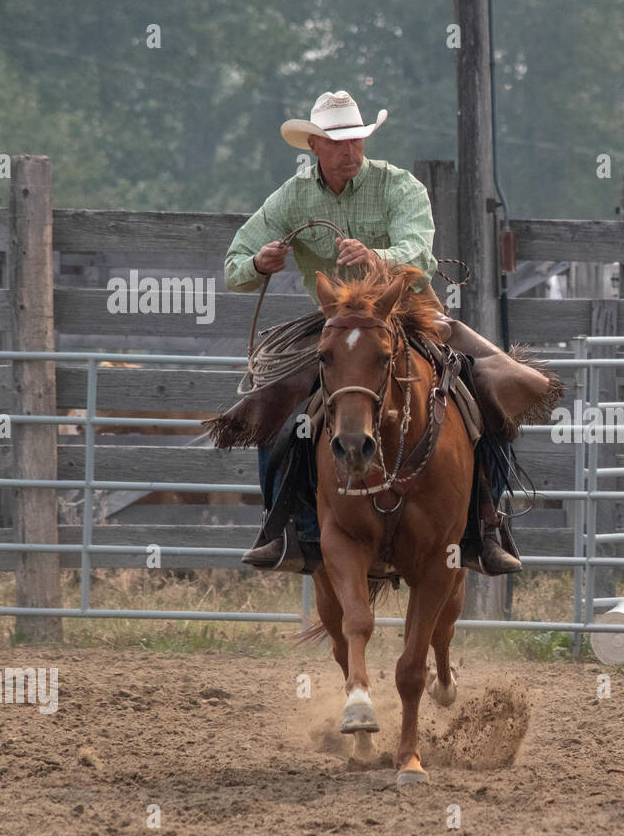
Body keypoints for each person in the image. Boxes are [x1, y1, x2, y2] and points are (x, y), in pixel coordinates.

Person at [219, 90, 557, 575]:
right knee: (273, 400)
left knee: (489, 388)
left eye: (356, 140)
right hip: (337, 322)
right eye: (337, 142)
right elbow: (234, 266)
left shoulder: (400, 186)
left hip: (413, 313)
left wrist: (380, 259)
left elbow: (419, 253)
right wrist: (258, 262)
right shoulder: (290, 198)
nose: (350, 151)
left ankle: (486, 522)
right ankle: (284, 526)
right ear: (313, 146)